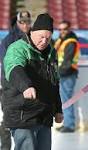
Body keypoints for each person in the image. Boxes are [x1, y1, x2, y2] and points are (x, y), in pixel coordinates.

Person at [1, 13, 63, 150]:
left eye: (48, 38)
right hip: (22, 113)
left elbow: (54, 82)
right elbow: (14, 68)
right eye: (41, 37)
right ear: (32, 32)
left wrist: (58, 109)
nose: (44, 41)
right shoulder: (18, 48)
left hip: (44, 114)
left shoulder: (52, 52)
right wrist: (26, 86)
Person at [0, 10, 31, 150]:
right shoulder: (8, 40)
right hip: (11, 87)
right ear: (17, 23)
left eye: (28, 22)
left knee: (26, 121)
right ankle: (5, 147)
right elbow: (7, 66)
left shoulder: (33, 37)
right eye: (22, 22)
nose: (25, 25)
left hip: (28, 86)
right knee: (8, 119)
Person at [54, 20, 79, 132]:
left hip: (68, 74)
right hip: (63, 74)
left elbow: (67, 62)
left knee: (67, 100)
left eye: (64, 29)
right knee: (64, 100)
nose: (62, 31)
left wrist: (57, 74)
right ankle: (67, 123)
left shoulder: (70, 42)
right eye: (60, 29)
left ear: (69, 30)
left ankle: (70, 125)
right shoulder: (61, 40)